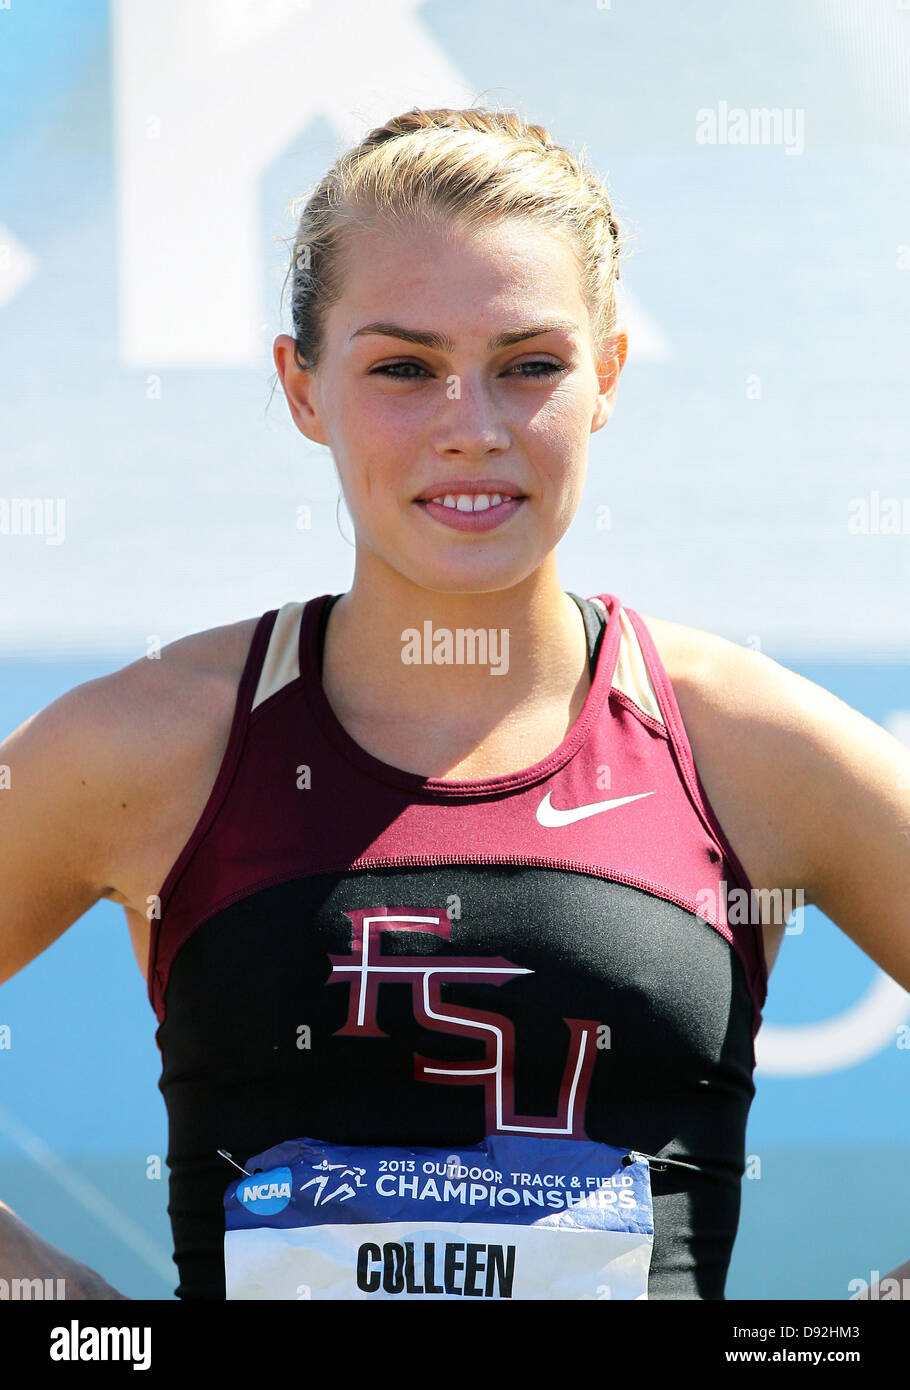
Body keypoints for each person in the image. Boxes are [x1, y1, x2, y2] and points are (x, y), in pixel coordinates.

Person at [1, 105, 909, 1302]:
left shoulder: (750, 744)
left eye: (529, 364)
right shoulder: (154, 740)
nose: (470, 429)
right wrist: (88, 1331)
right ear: (302, 385)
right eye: (402, 367)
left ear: (608, 378)